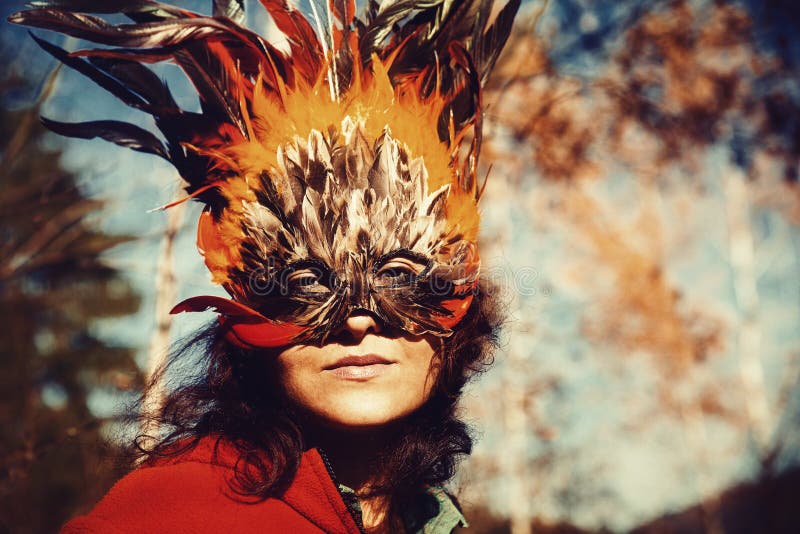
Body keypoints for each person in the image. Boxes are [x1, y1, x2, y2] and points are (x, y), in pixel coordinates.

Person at [10, 0, 519, 531]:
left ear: (458, 305)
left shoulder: (431, 520)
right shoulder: (168, 514)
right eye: (304, 280)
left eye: (399, 275)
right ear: (242, 315)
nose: (359, 320)